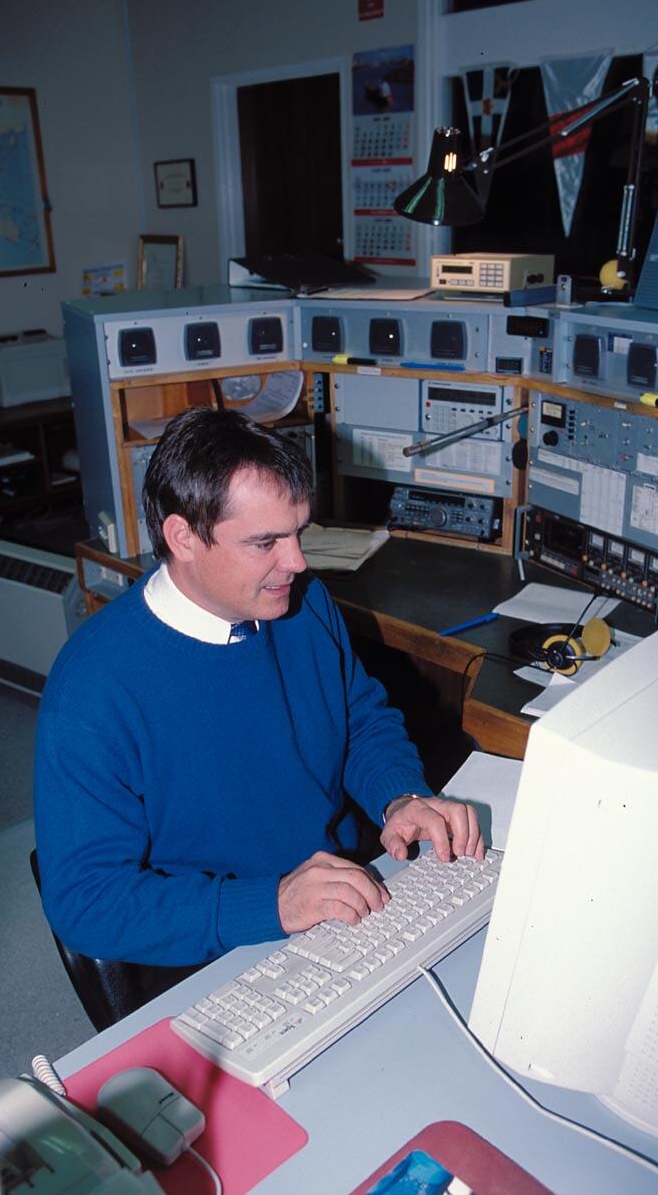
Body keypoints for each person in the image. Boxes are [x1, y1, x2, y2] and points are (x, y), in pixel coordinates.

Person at [34, 407, 483, 973]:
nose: (296, 562)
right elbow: (85, 901)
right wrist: (271, 904)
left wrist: (400, 796)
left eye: (298, 533)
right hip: (215, 943)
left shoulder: (304, 604)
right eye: (265, 542)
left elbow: (360, 720)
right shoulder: (93, 688)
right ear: (183, 537)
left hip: (339, 897)